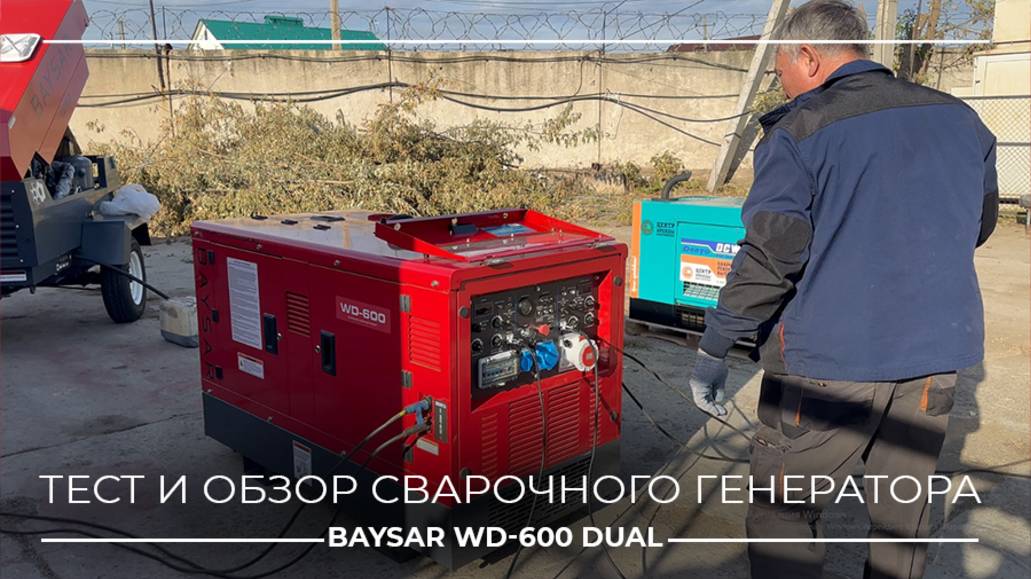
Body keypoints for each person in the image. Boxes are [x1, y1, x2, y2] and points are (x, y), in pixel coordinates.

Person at [686, 1, 998, 577]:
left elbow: (771, 255)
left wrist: (715, 344)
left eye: (781, 69)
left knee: (784, 512)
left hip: (827, 364)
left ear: (807, 56)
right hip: (934, 361)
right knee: (902, 517)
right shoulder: (961, 119)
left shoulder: (800, 129)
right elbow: (978, 225)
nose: (782, 82)